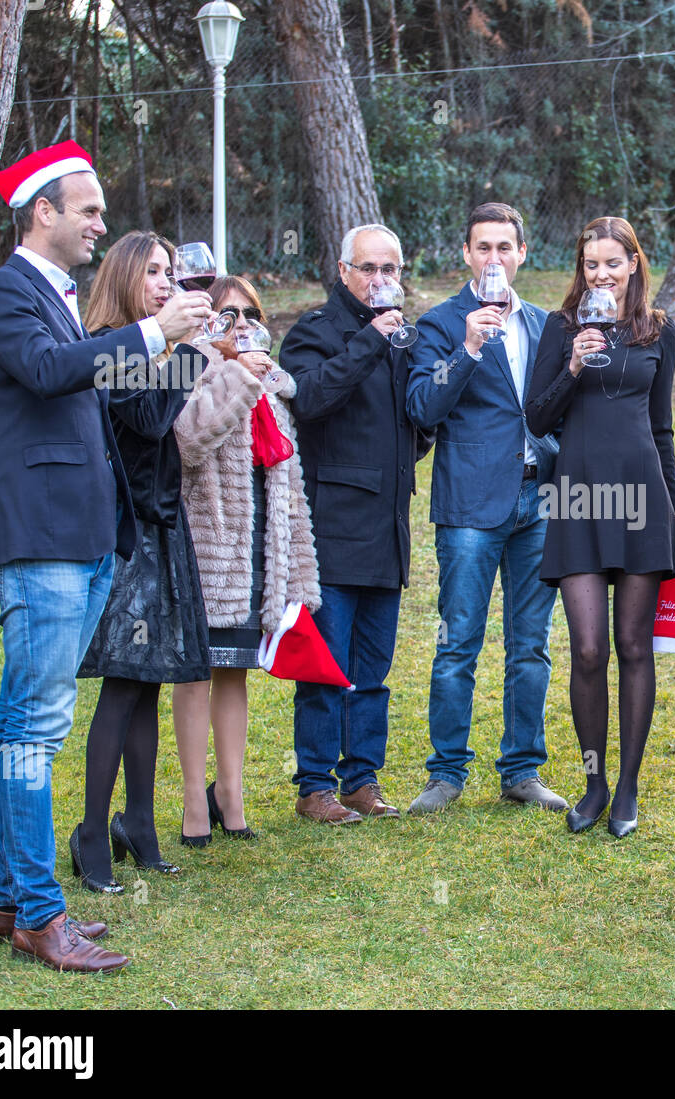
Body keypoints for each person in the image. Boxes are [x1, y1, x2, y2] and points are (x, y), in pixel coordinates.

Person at [0, 141, 208, 972]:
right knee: (35, 728)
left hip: (81, 537)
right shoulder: (5, 292)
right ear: (44, 212)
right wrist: (152, 331)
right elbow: (46, 372)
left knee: (15, 724)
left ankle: (4, 899)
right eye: (90, 210)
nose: (102, 225)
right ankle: (42, 915)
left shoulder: (57, 297)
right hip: (40, 536)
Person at [524, 216, 675, 838]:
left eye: (612, 263)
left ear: (634, 263)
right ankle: (593, 782)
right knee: (588, 649)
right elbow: (537, 418)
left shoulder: (658, 331)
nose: (601, 274)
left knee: (633, 646)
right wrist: (571, 365)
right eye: (591, 264)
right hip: (579, 498)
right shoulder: (561, 326)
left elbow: (663, 427)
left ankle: (628, 786)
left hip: (642, 497)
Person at [404, 203, 566, 814]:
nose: (494, 258)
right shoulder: (440, 323)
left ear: (522, 253)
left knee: (531, 645)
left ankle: (522, 770)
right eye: (483, 247)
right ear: (467, 254)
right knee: (458, 644)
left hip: (539, 499)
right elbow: (422, 408)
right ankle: (446, 773)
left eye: (504, 247)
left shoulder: (547, 324)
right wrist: (469, 348)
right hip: (471, 504)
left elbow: (557, 405)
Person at [280, 223, 433, 825]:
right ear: (343, 271)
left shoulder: (405, 336)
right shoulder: (315, 331)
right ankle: (314, 785)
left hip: (389, 527)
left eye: (389, 269)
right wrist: (371, 338)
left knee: (373, 671)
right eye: (367, 268)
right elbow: (308, 400)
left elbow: (413, 423)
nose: (379, 279)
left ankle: (361, 779)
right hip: (333, 527)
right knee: (326, 667)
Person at [73, 230, 212, 889]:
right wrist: (190, 352)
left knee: (150, 681)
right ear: (126, 276)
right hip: (125, 532)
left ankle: (139, 824)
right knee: (124, 683)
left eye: (171, 273)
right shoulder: (110, 344)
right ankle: (90, 834)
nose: (166, 283)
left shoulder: (153, 347)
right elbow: (152, 419)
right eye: (153, 272)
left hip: (161, 525)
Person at [172, 276, 320, 841]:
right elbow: (189, 442)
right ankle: (193, 802)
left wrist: (295, 565)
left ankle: (230, 796)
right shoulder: (192, 368)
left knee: (235, 672)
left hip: (257, 547)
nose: (239, 323)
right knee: (196, 673)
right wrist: (235, 374)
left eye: (249, 313)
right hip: (209, 547)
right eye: (226, 313)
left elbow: (287, 479)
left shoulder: (273, 384)